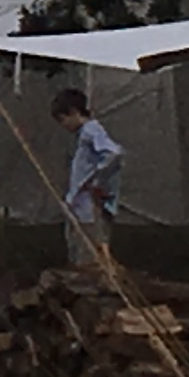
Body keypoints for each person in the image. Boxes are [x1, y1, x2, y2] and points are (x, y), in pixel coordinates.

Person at [53, 86, 123, 263]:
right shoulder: (84, 134)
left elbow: (113, 153)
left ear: (75, 112)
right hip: (79, 203)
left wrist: (96, 180)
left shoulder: (91, 130)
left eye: (63, 119)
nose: (63, 125)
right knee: (79, 248)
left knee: (89, 252)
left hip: (88, 206)